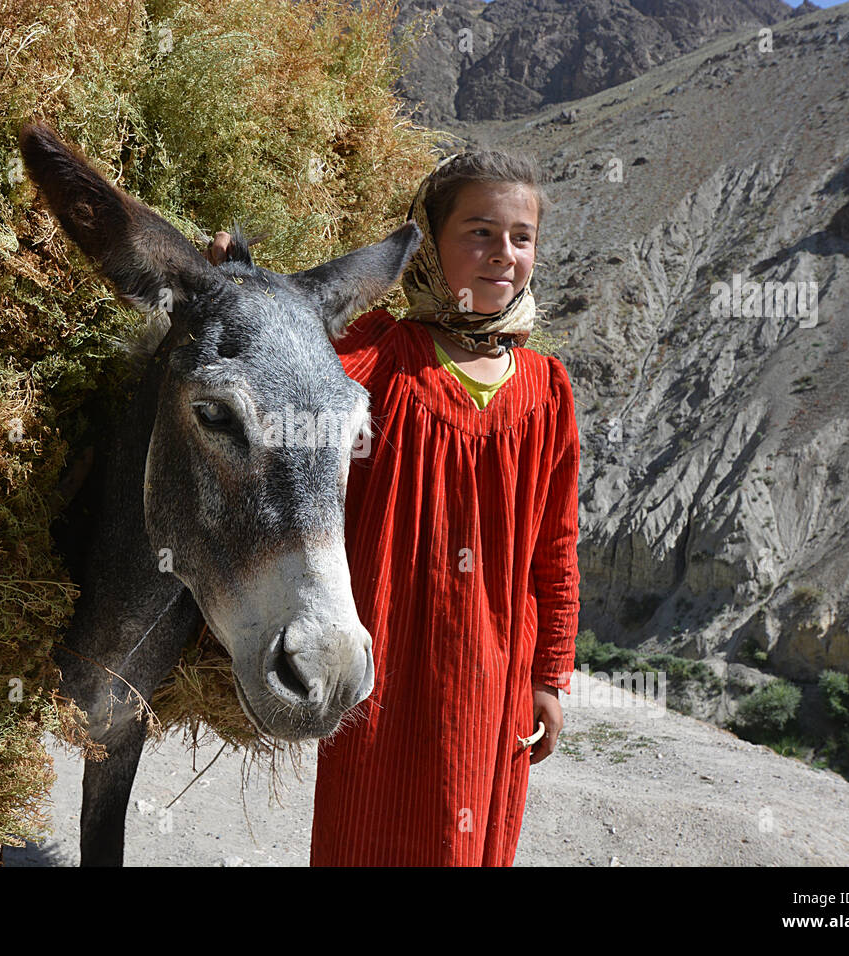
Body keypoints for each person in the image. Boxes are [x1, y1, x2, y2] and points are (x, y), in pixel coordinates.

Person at [205, 150, 581, 866]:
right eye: (479, 232)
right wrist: (235, 285)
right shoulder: (378, 360)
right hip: (388, 671)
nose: (504, 254)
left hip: (495, 672)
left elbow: (555, 550)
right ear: (428, 244)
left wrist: (549, 678)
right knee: (373, 835)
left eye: (522, 237)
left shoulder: (546, 388)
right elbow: (284, 364)